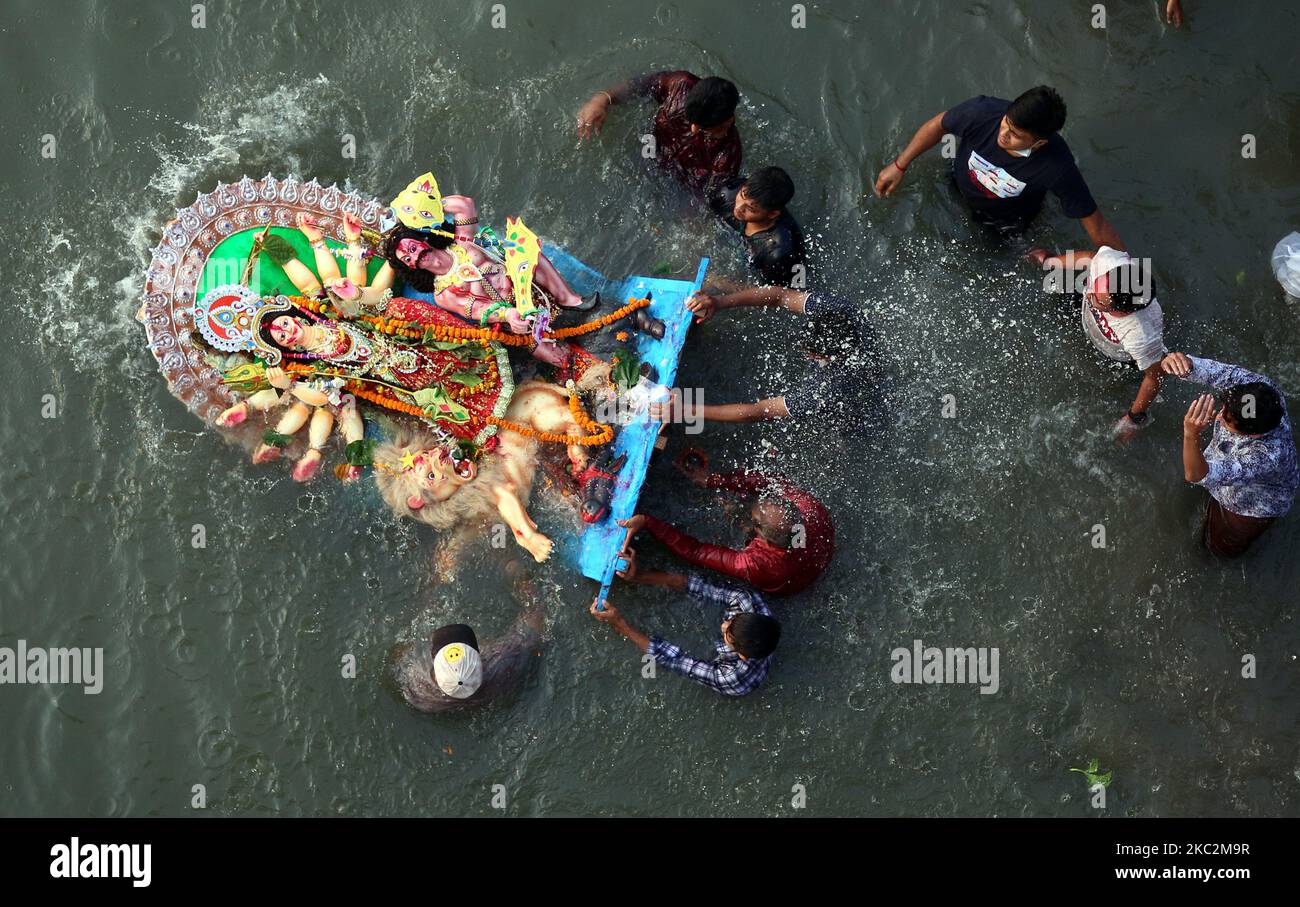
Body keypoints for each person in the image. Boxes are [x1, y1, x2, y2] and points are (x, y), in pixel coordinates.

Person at [874, 86, 1123, 248]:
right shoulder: (982, 112)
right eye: (1006, 123)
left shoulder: (1056, 166)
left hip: (1006, 222)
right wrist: (900, 164)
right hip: (957, 184)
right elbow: (938, 125)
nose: (1003, 134)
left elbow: (1096, 223)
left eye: (1015, 134)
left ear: (1039, 143)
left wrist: (1127, 279)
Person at [651, 286, 881, 430]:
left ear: (829, 357)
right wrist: (719, 302)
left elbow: (758, 411)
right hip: (854, 369)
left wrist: (686, 410)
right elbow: (780, 296)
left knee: (840, 425)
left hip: (855, 411)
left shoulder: (826, 390)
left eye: (812, 352)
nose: (805, 352)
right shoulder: (837, 309)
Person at [617, 449, 833, 596]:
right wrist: (715, 480)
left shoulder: (755, 564)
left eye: (754, 519)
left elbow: (695, 551)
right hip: (812, 558)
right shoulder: (809, 508)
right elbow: (769, 481)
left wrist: (648, 521)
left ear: (761, 536)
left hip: (785, 585)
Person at [589, 551, 780, 697]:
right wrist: (636, 576)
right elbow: (693, 584)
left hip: (732, 680)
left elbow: (672, 659)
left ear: (742, 656)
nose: (723, 626)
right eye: (731, 620)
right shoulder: (747, 602)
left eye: (728, 634)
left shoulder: (731, 678)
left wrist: (619, 623)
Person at [1161, 353, 1298, 556]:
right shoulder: (1259, 388)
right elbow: (1219, 374)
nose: (1219, 416)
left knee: (1215, 548)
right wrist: (1182, 364)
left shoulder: (1266, 457)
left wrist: (1190, 434)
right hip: (1225, 468)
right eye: (1225, 408)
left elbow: (1196, 476)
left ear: (1255, 434)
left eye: (1227, 420)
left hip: (1250, 505)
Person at [1029, 246, 1164, 442]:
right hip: (1088, 319)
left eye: (1097, 298)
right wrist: (1050, 262)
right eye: (1095, 283)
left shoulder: (1141, 336)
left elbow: (1155, 376)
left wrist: (1134, 419)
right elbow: (1091, 258)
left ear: (1121, 312)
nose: (1089, 290)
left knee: (1106, 385)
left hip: (1114, 355)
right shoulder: (1111, 264)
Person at [576, 71, 742, 195]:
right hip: (643, 151)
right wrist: (601, 100)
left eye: (704, 128)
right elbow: (639, 86)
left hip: (673, 188)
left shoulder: (728, 154)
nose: (693, 130)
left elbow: (707, 197)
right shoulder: (679, 85)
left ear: (727, 121)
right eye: (691, 121)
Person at [392, 607, 543, 713]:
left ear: (436, 675)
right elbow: (536, 618)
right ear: (481, 662)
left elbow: (399, 653)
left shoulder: (418, 691)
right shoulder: (504, 666)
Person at [707, 166, 808, 287]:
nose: (738, 208)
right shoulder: (728, 193)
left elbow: (778, 295)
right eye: (742, 195)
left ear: (772, 214)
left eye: (750, 209)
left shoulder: (779, 253)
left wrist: (723, 284)